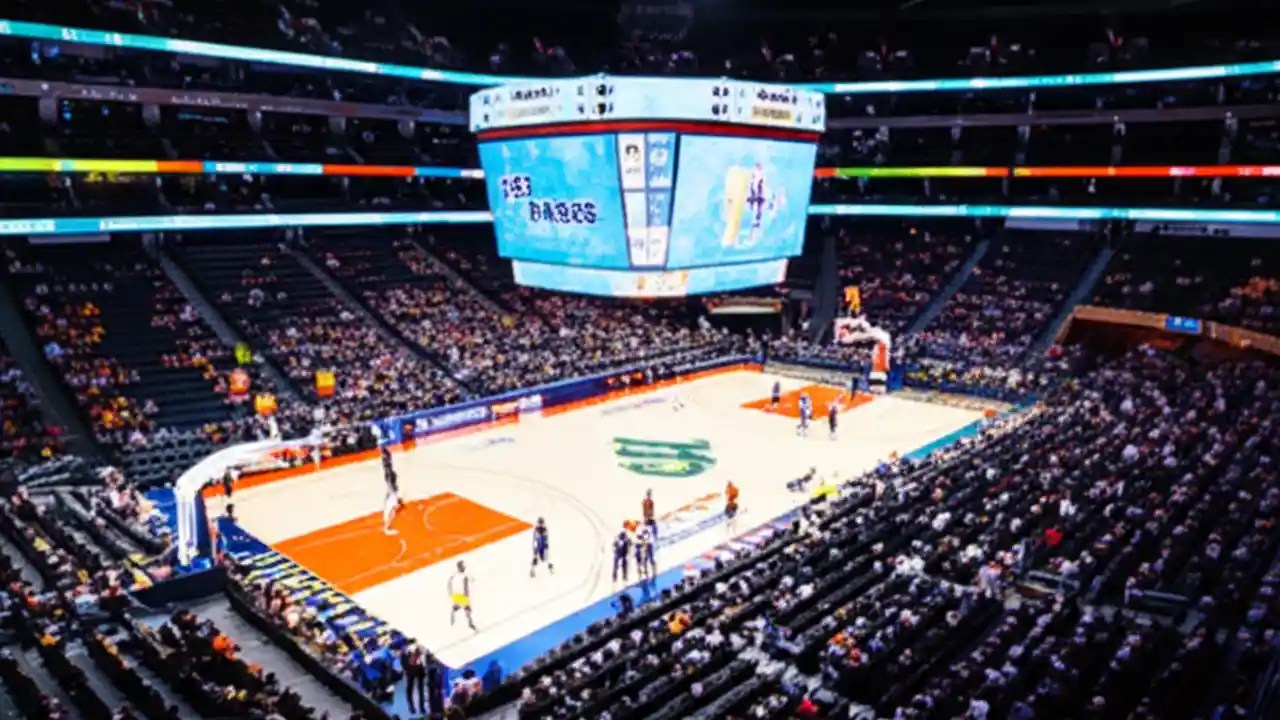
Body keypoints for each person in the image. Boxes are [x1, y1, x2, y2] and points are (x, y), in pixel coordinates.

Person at [449, 561, 476, 630]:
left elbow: (450, 582)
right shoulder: (464, 575)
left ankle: (453, 620)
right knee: (467, 609)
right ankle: (470, 623)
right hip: (462, 595)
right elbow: (472, 580)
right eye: (463, 566)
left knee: (463, 608)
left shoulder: (454, 575)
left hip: (457, 595)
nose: (464, 567)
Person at [401, 641, 426, 715]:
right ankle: (412, 707)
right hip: (410, 673)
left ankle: (421, 708)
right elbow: (404, 665)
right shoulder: (405, 653)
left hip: (418, 672)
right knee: (409, 690)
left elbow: (421, 663)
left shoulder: (418, 651)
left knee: (420, 690)